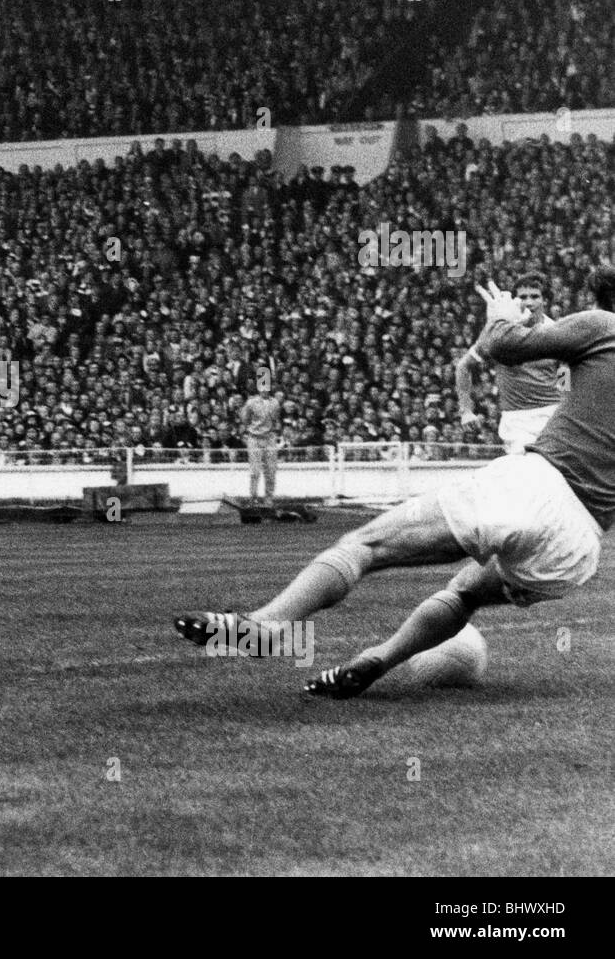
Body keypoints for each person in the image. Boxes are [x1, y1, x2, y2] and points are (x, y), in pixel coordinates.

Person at [174, 268, 615, 699]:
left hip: (539, 486)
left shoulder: (603, 326)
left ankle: (267, 626)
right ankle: (377, 660)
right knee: (464, 593)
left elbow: (502, 346)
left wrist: (500, 313)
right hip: (578, 548)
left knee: (363, 546)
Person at [455, 271, 565, 453]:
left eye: (535, 296)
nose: (529, 302)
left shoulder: (556, 332)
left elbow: (564, 370)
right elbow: (463, 366)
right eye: (523, 297)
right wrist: (466, 411)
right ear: (515, 300)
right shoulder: (499, 333)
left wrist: (564, 401)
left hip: (552, 414)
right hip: (516, 421)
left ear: (545, 300)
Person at [240, 374, 281, 506]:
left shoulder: (275, 403)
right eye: (262, 387)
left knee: (271, 470)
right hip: (254, 438)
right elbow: (244, 419)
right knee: (255, 471)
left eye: (266, 387)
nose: (264, 390)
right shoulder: (251, 402)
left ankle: (269, 498)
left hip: (269, 438)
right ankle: (253, 497)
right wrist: (252, 430)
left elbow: (275, 420)